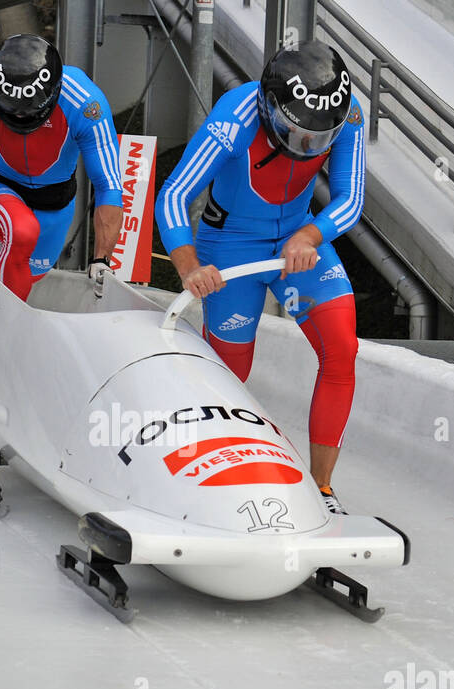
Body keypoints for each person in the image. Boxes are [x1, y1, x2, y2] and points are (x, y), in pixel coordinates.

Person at [155, 40, 365, 515]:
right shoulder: (234, 118)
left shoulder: (348, 114)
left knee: (341, 347)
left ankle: (322, 488)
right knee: (231, 371)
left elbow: (350, 199)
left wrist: (311, 234)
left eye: (320, 137)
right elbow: (174, 194)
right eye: (298, 133)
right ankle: (207, 471)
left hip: (298, 239)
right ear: (271, 109)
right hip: (230, 244)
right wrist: (190, 266)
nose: (308, 146)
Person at [0, 34, 123, 300]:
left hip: (55, 200)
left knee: (31, 273)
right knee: (22, 230)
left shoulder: (86, 103)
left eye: (28, 110)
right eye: (12, 110)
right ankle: (0, 324)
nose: (20, 117)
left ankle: (3, 315)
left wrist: (102, 259)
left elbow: (108, 184)